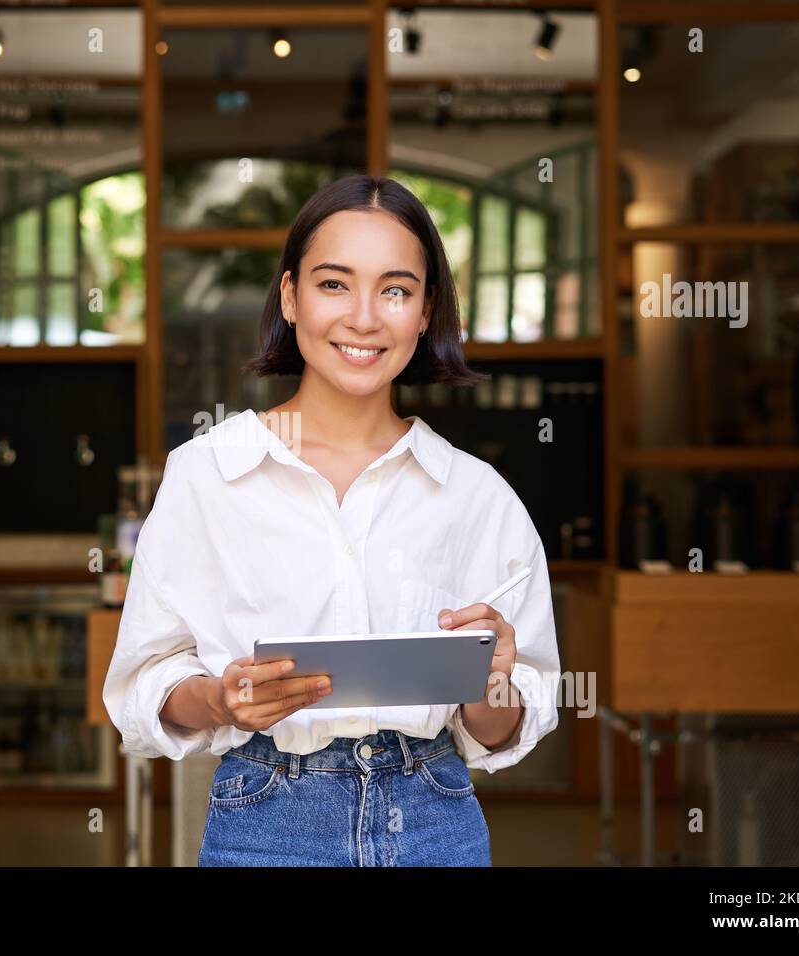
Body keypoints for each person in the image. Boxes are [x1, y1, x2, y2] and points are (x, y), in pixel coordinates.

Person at [102, 175, 560, 866]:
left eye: (397, 290)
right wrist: (222, 702)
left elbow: (506, 728)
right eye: (334, 284)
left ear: (425, 309)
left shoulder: (476, 495)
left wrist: (490, 679)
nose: (366, 318)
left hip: (435, 820)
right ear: (290, 296)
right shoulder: (207, 474)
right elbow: (144, 690)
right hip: (265, 822)